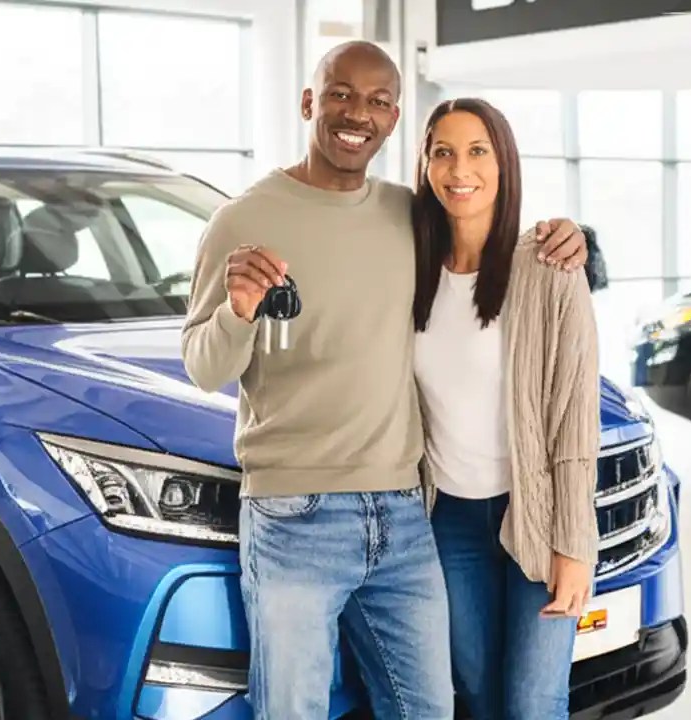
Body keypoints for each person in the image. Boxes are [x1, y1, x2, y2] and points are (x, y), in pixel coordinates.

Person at [180, 40, 588, 720]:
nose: (356, 114)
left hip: (404, 514)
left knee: (430, 708)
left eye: (377, 100)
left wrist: (568, 235)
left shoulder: (409, 215)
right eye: (340, 93)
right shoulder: (242, 220)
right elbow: (203, 365)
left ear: (394, 118)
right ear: (309, 101)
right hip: (293, 516)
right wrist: (238, 310)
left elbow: (481, 229)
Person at [411, 97, 600, 719]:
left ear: (504, 163)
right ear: (425, 165)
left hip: (538, 520)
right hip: (449, 524)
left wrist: (575, 545)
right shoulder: (411, 271)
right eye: (443, 152)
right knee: (479, 696)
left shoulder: (549, 267)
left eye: (477, 151)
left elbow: (574, 418)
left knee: (533, 702)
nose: (458, 169)